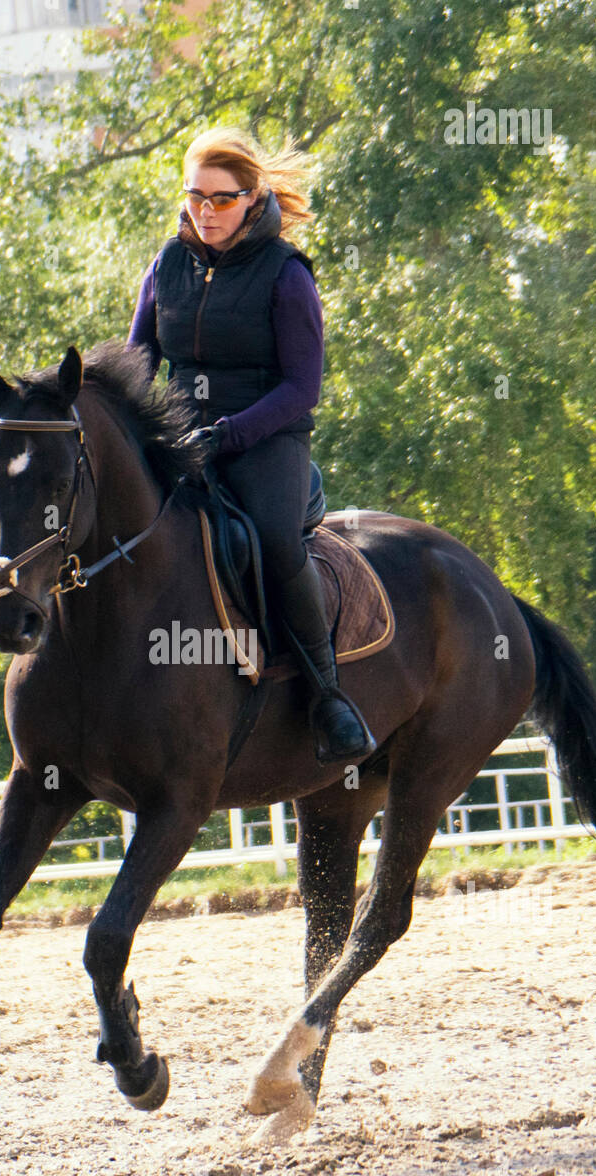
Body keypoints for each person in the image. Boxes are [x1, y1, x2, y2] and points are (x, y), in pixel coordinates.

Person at [126, 127, 377, 764]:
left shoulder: (286, 274)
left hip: (266, 440)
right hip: (183, 439)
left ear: (252, 198)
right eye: (194, 197)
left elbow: (303, 387)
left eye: (221, 199)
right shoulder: (166, 266)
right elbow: (137, 365)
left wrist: (229, 433)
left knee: (270, 539)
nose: (205, 212)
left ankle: (328, 696)